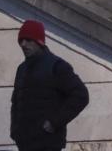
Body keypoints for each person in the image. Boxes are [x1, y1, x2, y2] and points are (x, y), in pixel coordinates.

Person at [11, 20, 89, 151]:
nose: (23, 44)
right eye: (21, 41)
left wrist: (54, 122)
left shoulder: (57, 66)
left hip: (48, 144)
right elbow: (16, 102)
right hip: (25, 145)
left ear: (39, 42)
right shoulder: (22, 69)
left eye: (28, 40)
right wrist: (15, 131)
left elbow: (81, 95)